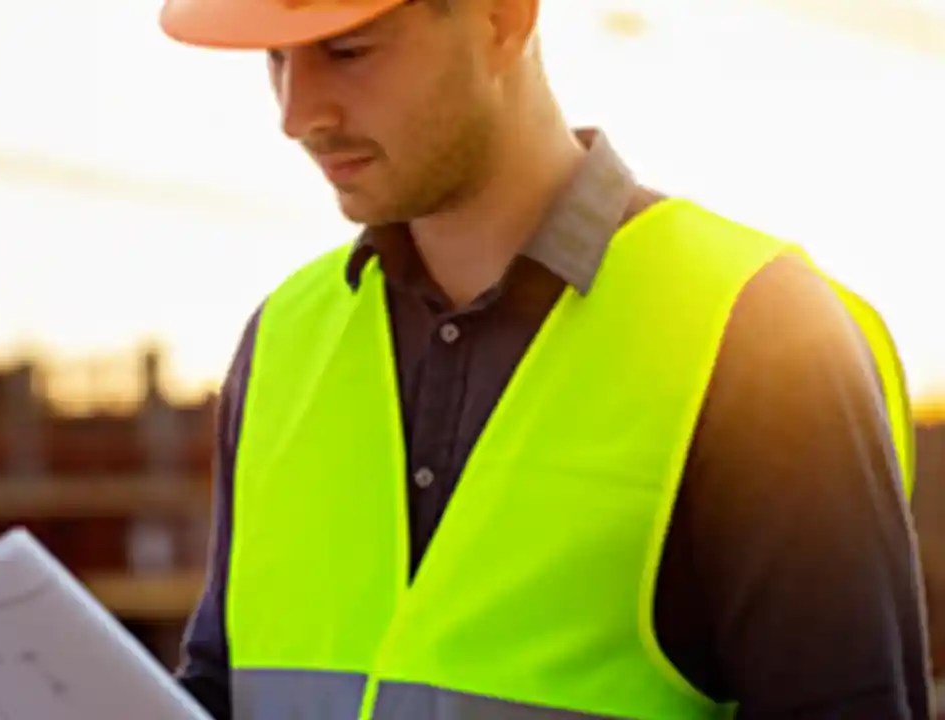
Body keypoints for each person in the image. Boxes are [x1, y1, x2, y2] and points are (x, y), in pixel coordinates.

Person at [157, 0, 932, 717]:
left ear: (501, 19)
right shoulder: (284, 339)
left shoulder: (761, 336)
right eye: (278, 62)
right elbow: (226, 684)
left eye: (347, 51)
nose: (298, 115)